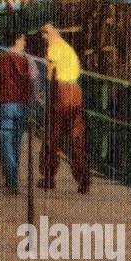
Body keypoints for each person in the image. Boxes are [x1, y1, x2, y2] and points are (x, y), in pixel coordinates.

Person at [0, 33, 41, 193]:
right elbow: (35, 82)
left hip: (4, 104)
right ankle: (12, 175)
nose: (24, 42)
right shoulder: (29, 61)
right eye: (22, 40)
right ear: (17, 41)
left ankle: (11, 177)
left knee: (5, 141)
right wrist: (32, 100)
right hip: (23, 105)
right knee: (16, 141)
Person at [40, 23, 90, 193]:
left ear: (49, 34)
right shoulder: (68, 49)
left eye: (44, 36)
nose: (43, 40)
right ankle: (83, 177)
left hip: (61, 92)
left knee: (53, 135)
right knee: (76, 136)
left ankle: (48, 176)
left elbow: (48, 73)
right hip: (76, 91)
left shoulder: (53, 47)